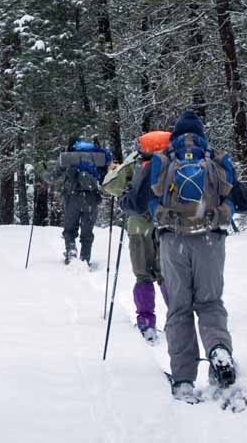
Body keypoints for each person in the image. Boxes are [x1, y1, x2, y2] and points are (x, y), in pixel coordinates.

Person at [144, 110, 247, 403]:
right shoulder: (216, 160)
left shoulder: (161, 161)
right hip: (209, 240)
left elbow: (137, 201)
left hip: (173, 241)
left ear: (175, 135)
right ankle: (218, 349)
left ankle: (183, 380)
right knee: (210, 302)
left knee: (179, 308)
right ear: (201, 135)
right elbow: (245, 202)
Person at [103, 131, 171, 343]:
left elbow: (110, 185)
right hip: (168, 223)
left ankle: (146, 322)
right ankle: (177, 320)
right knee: (168, 275)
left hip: (139, 226)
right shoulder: (174, 159)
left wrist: (118, 170)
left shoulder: (136, 161)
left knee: (143, 276)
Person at [48, 136, 112, 265]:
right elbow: (106, 173)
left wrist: (45, 176)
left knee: (70, 228)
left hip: (72, 196)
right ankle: (85, 258)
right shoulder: (97, 157)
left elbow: (53, 176)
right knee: (87, 230)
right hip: (91, 197)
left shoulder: (68, 157)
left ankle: (71, 252)